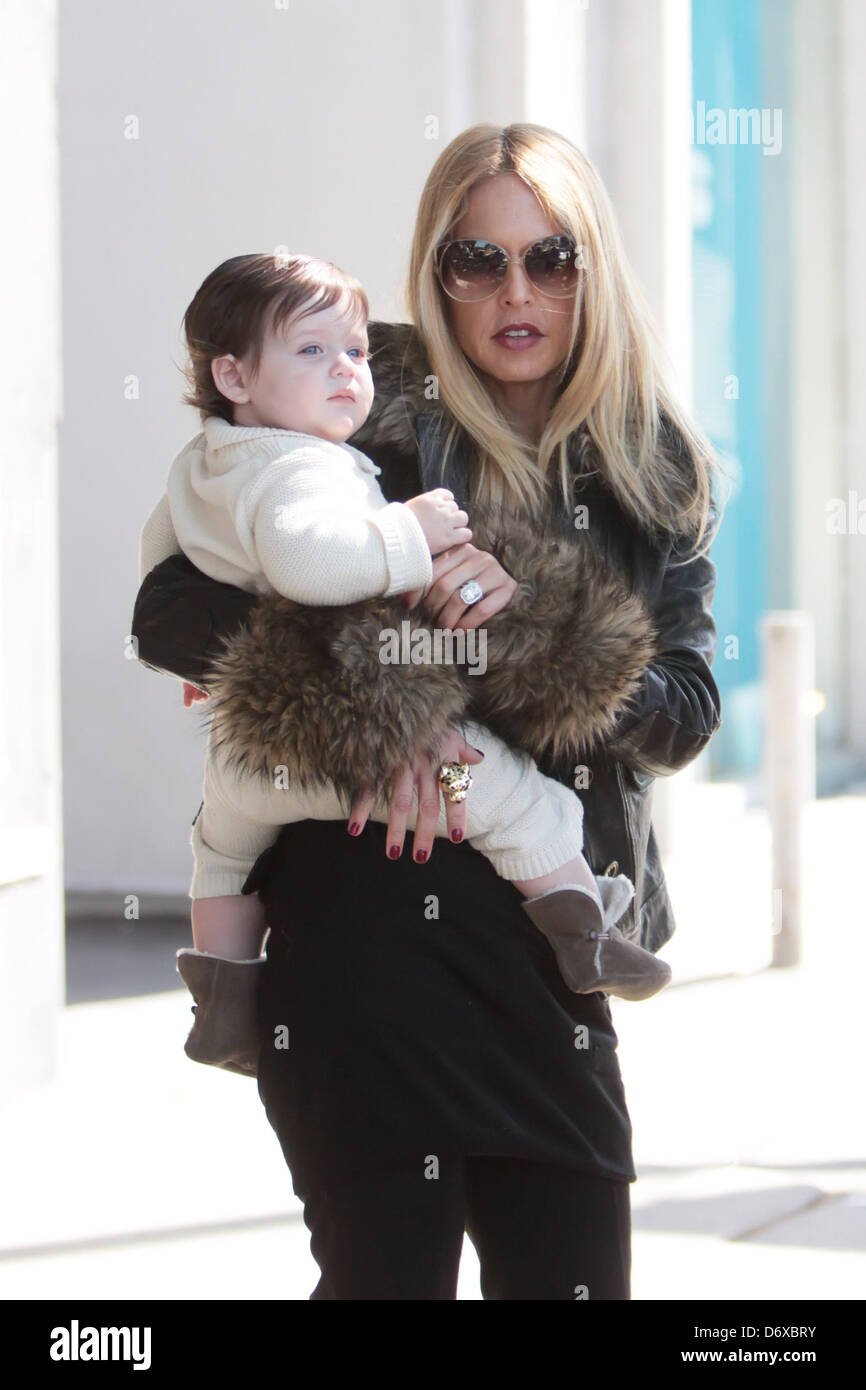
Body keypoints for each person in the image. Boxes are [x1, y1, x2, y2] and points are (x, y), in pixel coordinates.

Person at [130, 122, 726, 1300]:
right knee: (386, 1278)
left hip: (541, 946)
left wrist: (522, 641)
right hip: (357, 923)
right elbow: (171, 611)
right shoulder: (358, 394)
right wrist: (379, 707)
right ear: (434, 269)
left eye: (549, 258)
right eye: (476, 259)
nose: (515, 290)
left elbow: (685, 709)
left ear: (590, 268)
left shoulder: (650, 462)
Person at [138, 253, 672, 1075]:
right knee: (510, 798)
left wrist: (209, 653)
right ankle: (587, 936)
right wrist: (408, 539)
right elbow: (306, 564)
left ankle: (225, 1005)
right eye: (312, 352)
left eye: (353, 350)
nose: (348, 370)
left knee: (219, 849)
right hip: (360, 761)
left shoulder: (205, 461)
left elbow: (160, 567)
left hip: (251, 762)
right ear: (234, 375)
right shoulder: (303, 467)